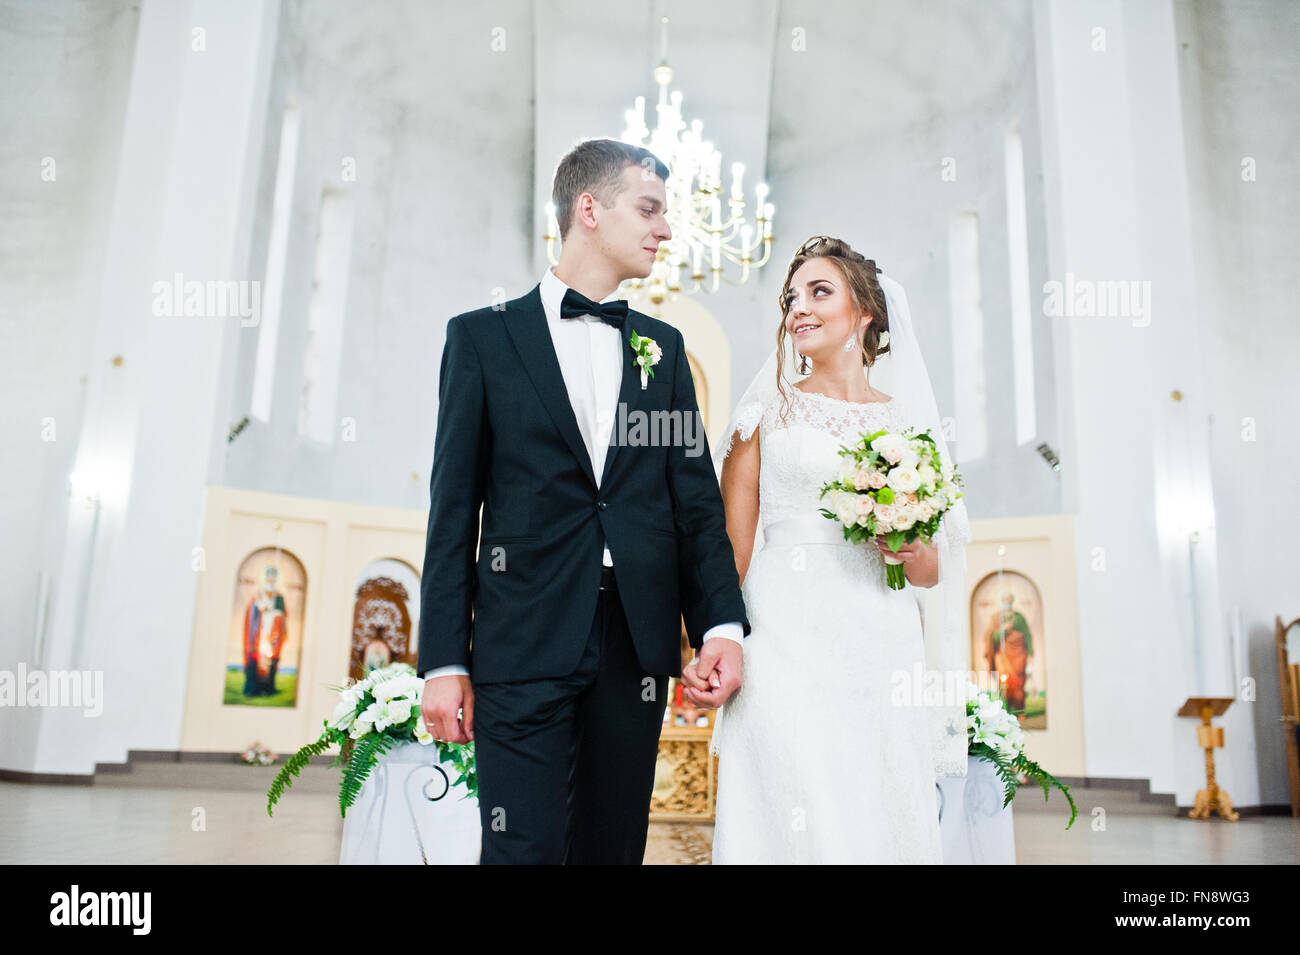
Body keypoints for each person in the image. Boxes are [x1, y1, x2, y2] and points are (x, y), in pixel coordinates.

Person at [416, 138, 750, 864]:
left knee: (611, 848)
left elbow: (694, 506)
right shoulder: (481, 338)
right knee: (521, 849)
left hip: (634, 643)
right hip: (521, 638)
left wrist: (722, 623)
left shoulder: (662, 352)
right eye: (651, 209)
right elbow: (452, 510)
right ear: (589, 209)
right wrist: (442, 659)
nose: (665, 230)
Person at [694, 235, 971, 863]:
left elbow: (929, 569)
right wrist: (715, 637)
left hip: (880, 639)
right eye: (792, 297)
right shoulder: (765, 410)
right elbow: (730, 549)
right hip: (784, 637)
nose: (799, 308)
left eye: (820, 292)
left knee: (874, 799)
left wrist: (899, 538)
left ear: (865, 311)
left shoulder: (905, 422)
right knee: (790, 794)